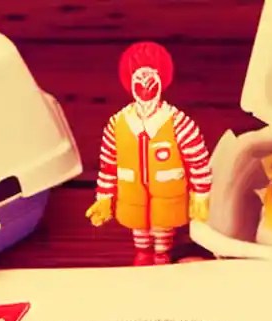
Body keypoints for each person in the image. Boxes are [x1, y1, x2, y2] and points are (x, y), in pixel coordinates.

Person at [85, 41, 212, 260]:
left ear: (161, 80)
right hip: (131, 194)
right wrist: (104, 197)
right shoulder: (117, 124)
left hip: (168, 193)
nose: (145, 84)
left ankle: (162, 254)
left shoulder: (179, 123)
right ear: (130, 82)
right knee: (139, 229)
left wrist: (201, 194)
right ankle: (143, 255)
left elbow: (198, 161)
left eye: (150, 76)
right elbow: (108, 165)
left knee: (163, 228)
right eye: (138, 78)